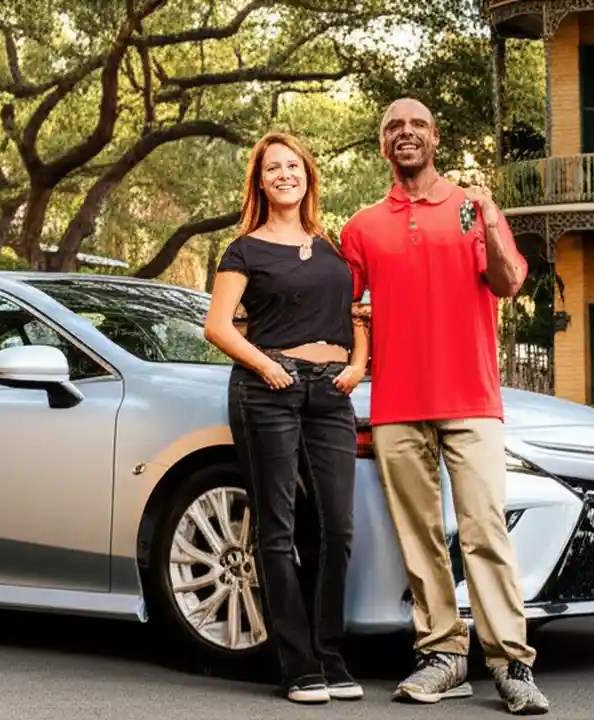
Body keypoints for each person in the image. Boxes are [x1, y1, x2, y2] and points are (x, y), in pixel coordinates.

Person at [339, 98, 551, 716]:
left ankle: (512, 664)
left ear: (435, 137)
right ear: (383, 145)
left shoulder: (470, 207)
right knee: (420, 536)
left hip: (472, 398)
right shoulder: (362, 228)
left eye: (416, 126)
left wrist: (486, 216)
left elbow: (510, 281)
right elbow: (342, 309)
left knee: (485, 530)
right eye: (392, 128)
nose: (405, 134)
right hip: (397, 400)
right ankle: (443, 656)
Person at [204, 132, 370, 705]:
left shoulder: (330, 248)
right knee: (275, 531)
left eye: (292, 166)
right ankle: (297, 665)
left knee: (336, 528)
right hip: (267, 389)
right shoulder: (244, 250)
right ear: (261, 181)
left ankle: (330, 654)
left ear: (307, 176)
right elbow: (219, 326)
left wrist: (358, 366)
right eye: (272, 168)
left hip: (331, 393)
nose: (283, 175)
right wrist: (266, 367)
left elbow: (357, 316)